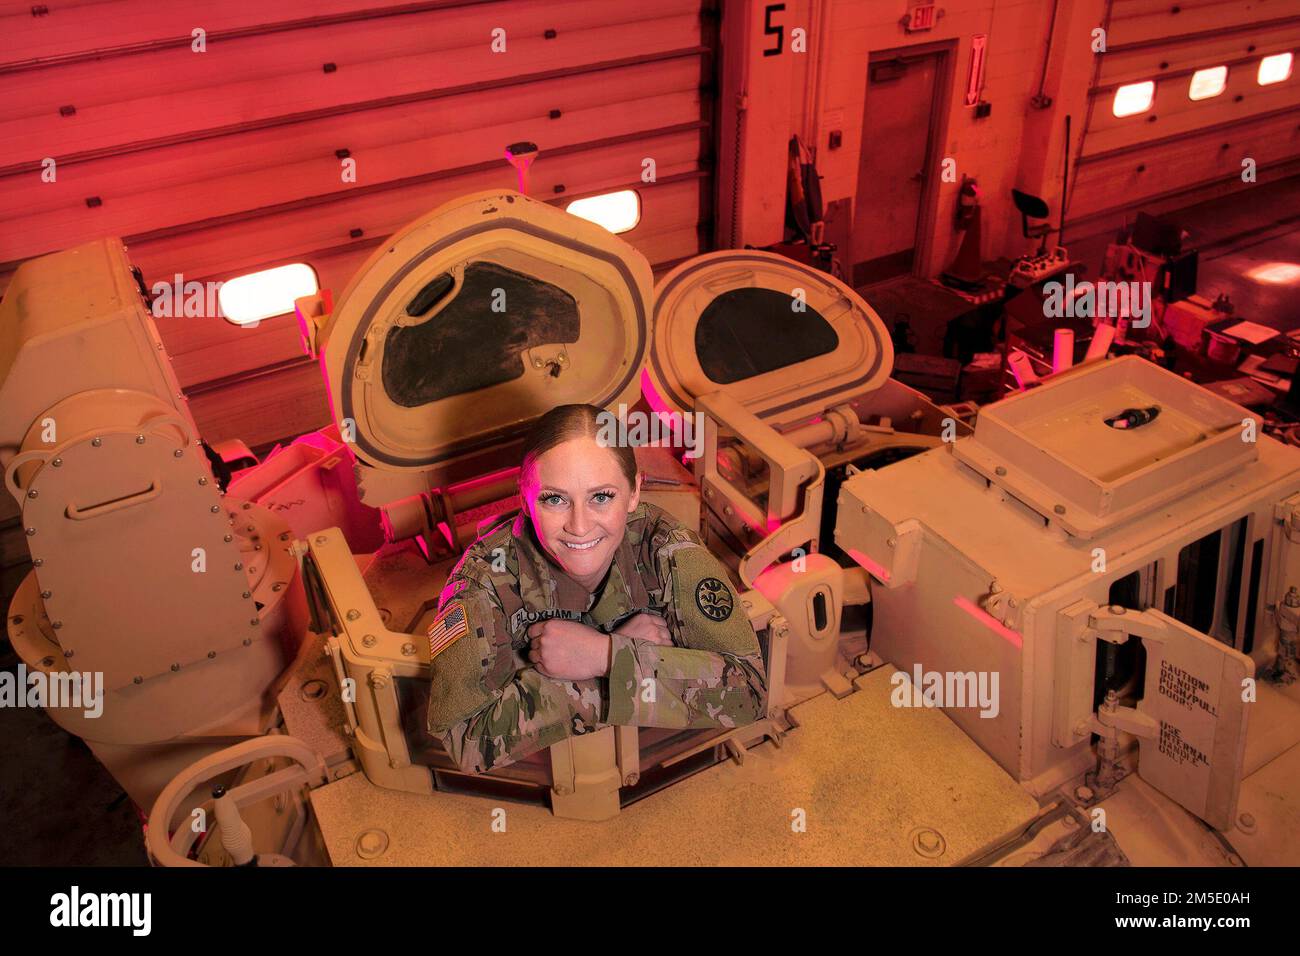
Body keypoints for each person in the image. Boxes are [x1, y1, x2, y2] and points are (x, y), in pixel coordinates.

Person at [426, 403, 768, 774]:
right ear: (524, 498)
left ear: (635, 492)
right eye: (554, 499)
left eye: (601, 497)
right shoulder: (482, 580)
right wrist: (613, 660)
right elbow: (466, 739)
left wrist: (603, 654)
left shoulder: (662, 544)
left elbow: (748, 692)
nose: (579, 525)